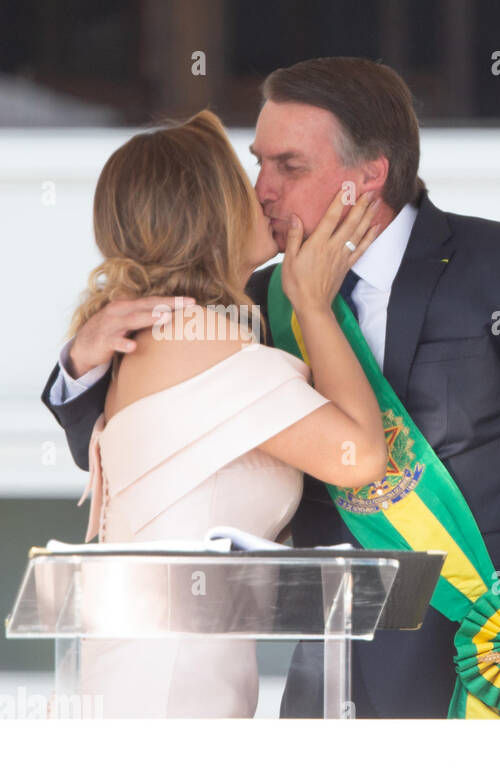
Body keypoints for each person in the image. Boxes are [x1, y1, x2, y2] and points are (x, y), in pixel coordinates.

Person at [43, 57, 500, 720]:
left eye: (289, 165)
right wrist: (81, 370)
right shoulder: (255, 305)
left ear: (368, 175)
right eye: (257, 163)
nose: (262, 188)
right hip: (339, 698)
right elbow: (149, 459)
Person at [51, 109, 387, 716]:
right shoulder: (193, 334)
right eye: (243, 180)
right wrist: (311, 305)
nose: (262, 194)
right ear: (208, 210)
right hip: (163, 698)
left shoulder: (177, 333)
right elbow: (359, 455)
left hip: (175, 690)